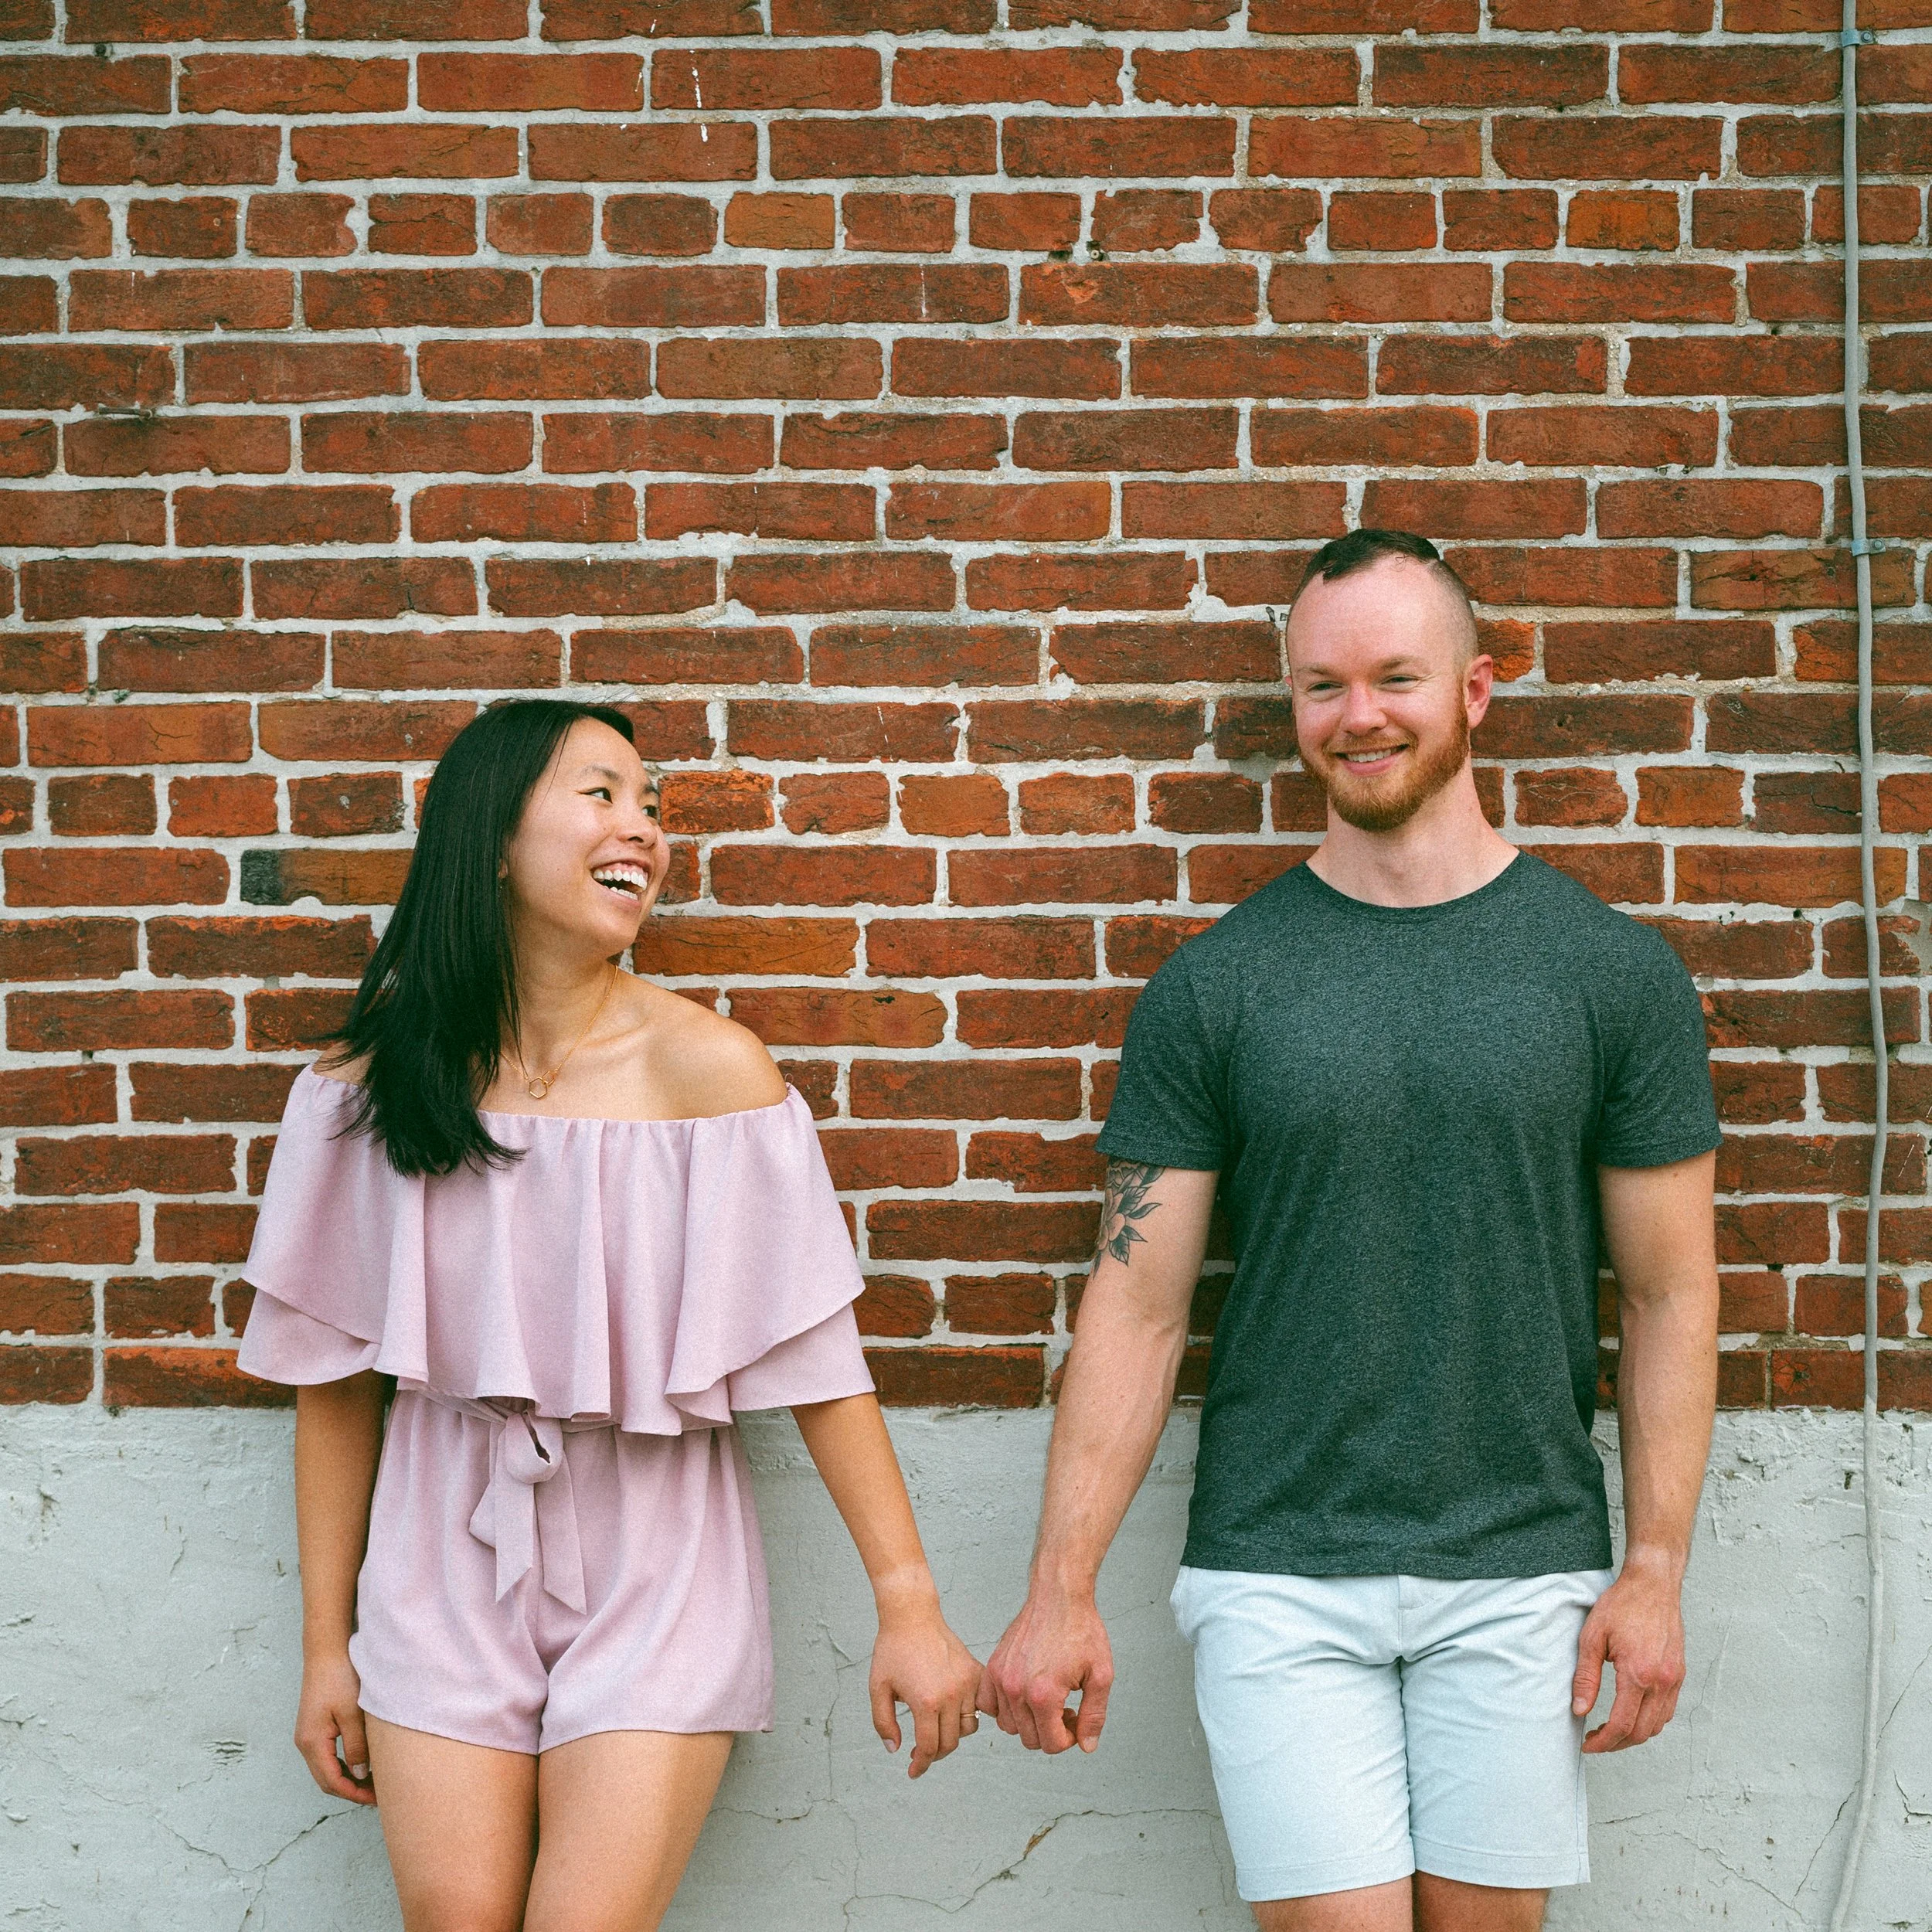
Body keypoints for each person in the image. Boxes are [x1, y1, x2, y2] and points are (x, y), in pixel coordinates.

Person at [978, 529, 1721, 1932]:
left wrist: (1658, 1570)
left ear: (1477, 690)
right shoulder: (1219, 987)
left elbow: (1674, 1297)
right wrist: (1057, 1588)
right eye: (1323, 686)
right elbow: (1136, 1308)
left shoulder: (1610, 973)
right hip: (1277, 1568)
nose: (1359, 714)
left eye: (1394, 677)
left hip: (1520, 1566)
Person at [236, 698, 981, 1932]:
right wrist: (329, 1646)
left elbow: (819, 1362)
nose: (639, 824)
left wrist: (910, 1607)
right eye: (601, 792)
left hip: (659, 1549)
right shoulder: (364, 1091)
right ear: (489, 839)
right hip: (439, 1541)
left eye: (650, 803)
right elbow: (332, 1388)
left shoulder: (713, 1076)